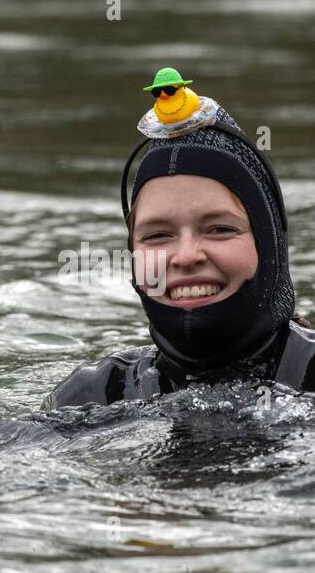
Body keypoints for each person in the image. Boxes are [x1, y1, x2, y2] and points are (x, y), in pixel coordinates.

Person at [44, 70, 310, 409]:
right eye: (157, 235)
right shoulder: (95, 396)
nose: (185, 256)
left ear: (269, 246)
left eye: (220, 229)